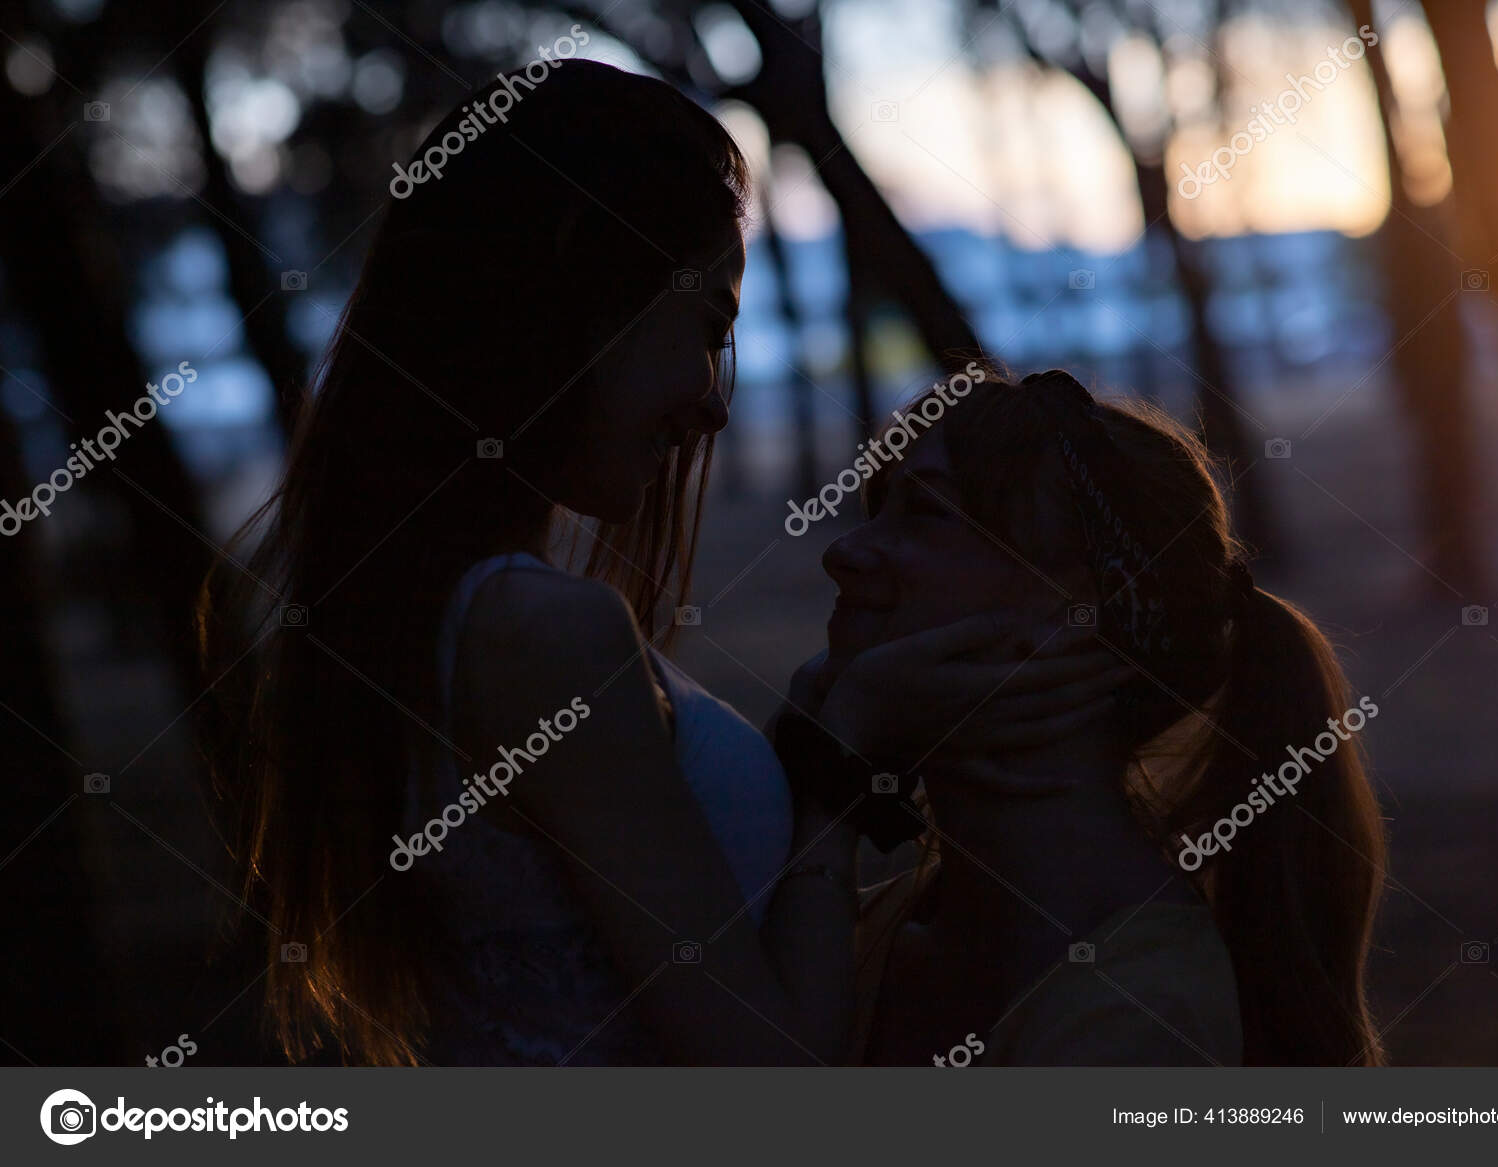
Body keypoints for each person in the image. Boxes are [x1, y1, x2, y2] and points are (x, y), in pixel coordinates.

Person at [198, 60, 1115, 1066]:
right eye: (708, 329)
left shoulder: (434, 606)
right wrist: (836, 773)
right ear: (573, 295)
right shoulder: (538, 633)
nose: (714, 403)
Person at [790, 367, 1387, 1066]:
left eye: (924, 512)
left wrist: (830, 778)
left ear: (1072, 613)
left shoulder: (1136, 1017)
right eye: (878, 508)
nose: (845, 553)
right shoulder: (876, 929)